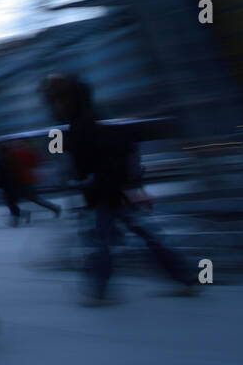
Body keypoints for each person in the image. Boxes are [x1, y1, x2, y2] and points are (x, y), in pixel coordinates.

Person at [41, 74, 195, 305]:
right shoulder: (86, 120)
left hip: (107, 191)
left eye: (57, 100)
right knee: (141, 236)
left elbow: (101, 158)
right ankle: (186, 278)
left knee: (101, 239)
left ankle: (99, 291)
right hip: (112, 190)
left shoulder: (85, 123)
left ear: (66, 98)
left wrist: (91, 181)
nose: (55, 106)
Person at [1, 139, 62, 225]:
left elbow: (11, 167)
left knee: (14, 201)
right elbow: (34, 163)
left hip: (21, 181)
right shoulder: (28, 152)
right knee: (30, 199)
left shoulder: (14, 153)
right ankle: (53, 208)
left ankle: (54, 208)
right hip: (27, 179)